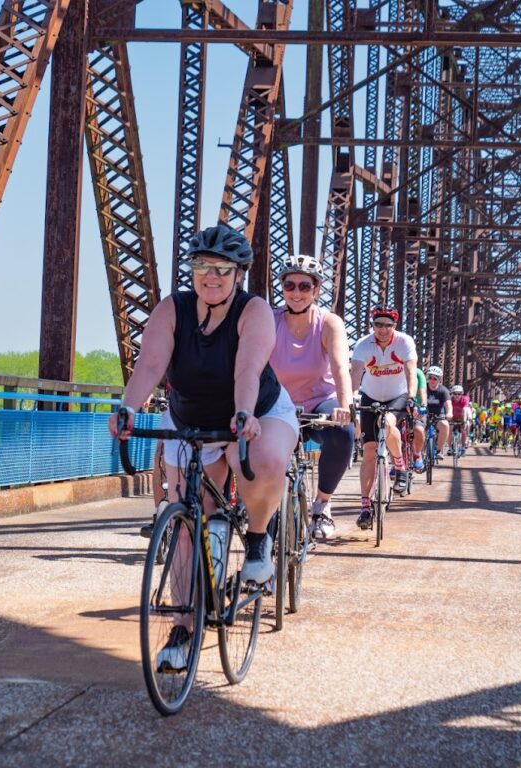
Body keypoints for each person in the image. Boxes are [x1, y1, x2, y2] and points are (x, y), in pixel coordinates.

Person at [109, 224, 298, 671]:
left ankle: (256, 541)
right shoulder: (172, 309)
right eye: (200, 267)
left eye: (221, 268)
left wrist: (245, 414)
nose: (209, 276)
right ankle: (181, 627)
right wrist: (128, 408)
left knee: (259, 460)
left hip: (255, 411)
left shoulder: (253, 311)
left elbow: (247, 369)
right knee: (186, 522)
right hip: (189, 417)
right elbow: (152, 363)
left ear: (238, 274)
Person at [268, 254, 354, 542]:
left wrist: (345, 405)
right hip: (278, 402)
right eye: (289, 285)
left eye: (305, 286)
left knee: (343, 434)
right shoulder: (270, 320)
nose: (296, 292)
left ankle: (322, 505)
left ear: (316, 290)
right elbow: (248, 363)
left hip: (319, 401)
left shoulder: (328, 323)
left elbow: (341, 366)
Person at [350, 305, 418, 528]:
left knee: (387, 422)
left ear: (395, 326)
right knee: (369, 452)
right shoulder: (363, 344)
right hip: (370, 396)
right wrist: (350, 398)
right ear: (373, 325)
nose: (383, 329)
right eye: (378, 325)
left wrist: (412, 397)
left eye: (388, 325)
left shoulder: (404, 342)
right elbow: (356, 373)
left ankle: (400, 467)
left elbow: (411, 372)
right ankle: (365, 507)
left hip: (396, 396)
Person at [423, 365, 453, 458]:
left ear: (439, 379)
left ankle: (439, 450)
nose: (432, 380)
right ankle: (420, 452)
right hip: (424, 415)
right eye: (430, 377)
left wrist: (449, 413)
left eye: (435, 378)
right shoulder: (423, 388)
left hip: (439, 416)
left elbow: (448, 404)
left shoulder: (443, 391)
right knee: (419, 429)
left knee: (445, 425)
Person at [448, 385, 471, 453]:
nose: (457, 395)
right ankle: (449, 448)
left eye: (459, 394)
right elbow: (448, 409)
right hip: (453, 417)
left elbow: (464, 410)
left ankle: (463, 447)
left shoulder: (465, 399)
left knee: (463, 430)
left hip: (462, 417)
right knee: (450, 429)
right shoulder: (450, 400)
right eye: (455, 393)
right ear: (452, 394)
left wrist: (464, 421)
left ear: (462, 394)